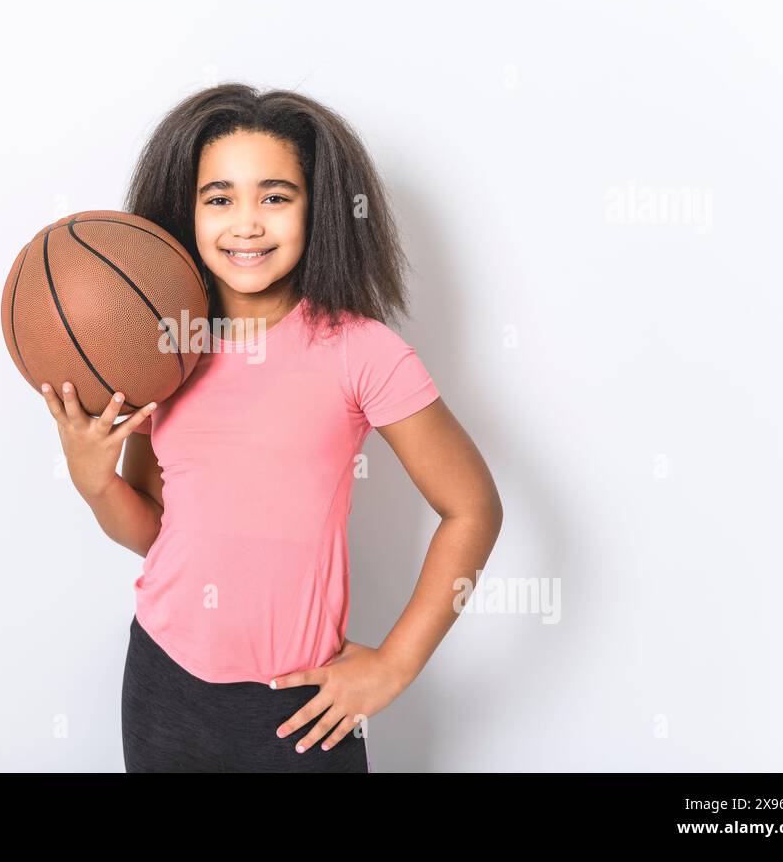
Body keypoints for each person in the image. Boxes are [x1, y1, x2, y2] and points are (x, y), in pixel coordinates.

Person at [38, 83, 503, 772]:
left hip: (301, 704)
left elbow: (472, 508)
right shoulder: (161, 349)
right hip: (163, 681)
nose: (246, 223)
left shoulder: (362, 351)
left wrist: (394, 667)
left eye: (275, 196)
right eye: (219, 197)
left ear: (319, 210)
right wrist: (93, 483)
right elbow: (154, 533)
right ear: (185, 211)